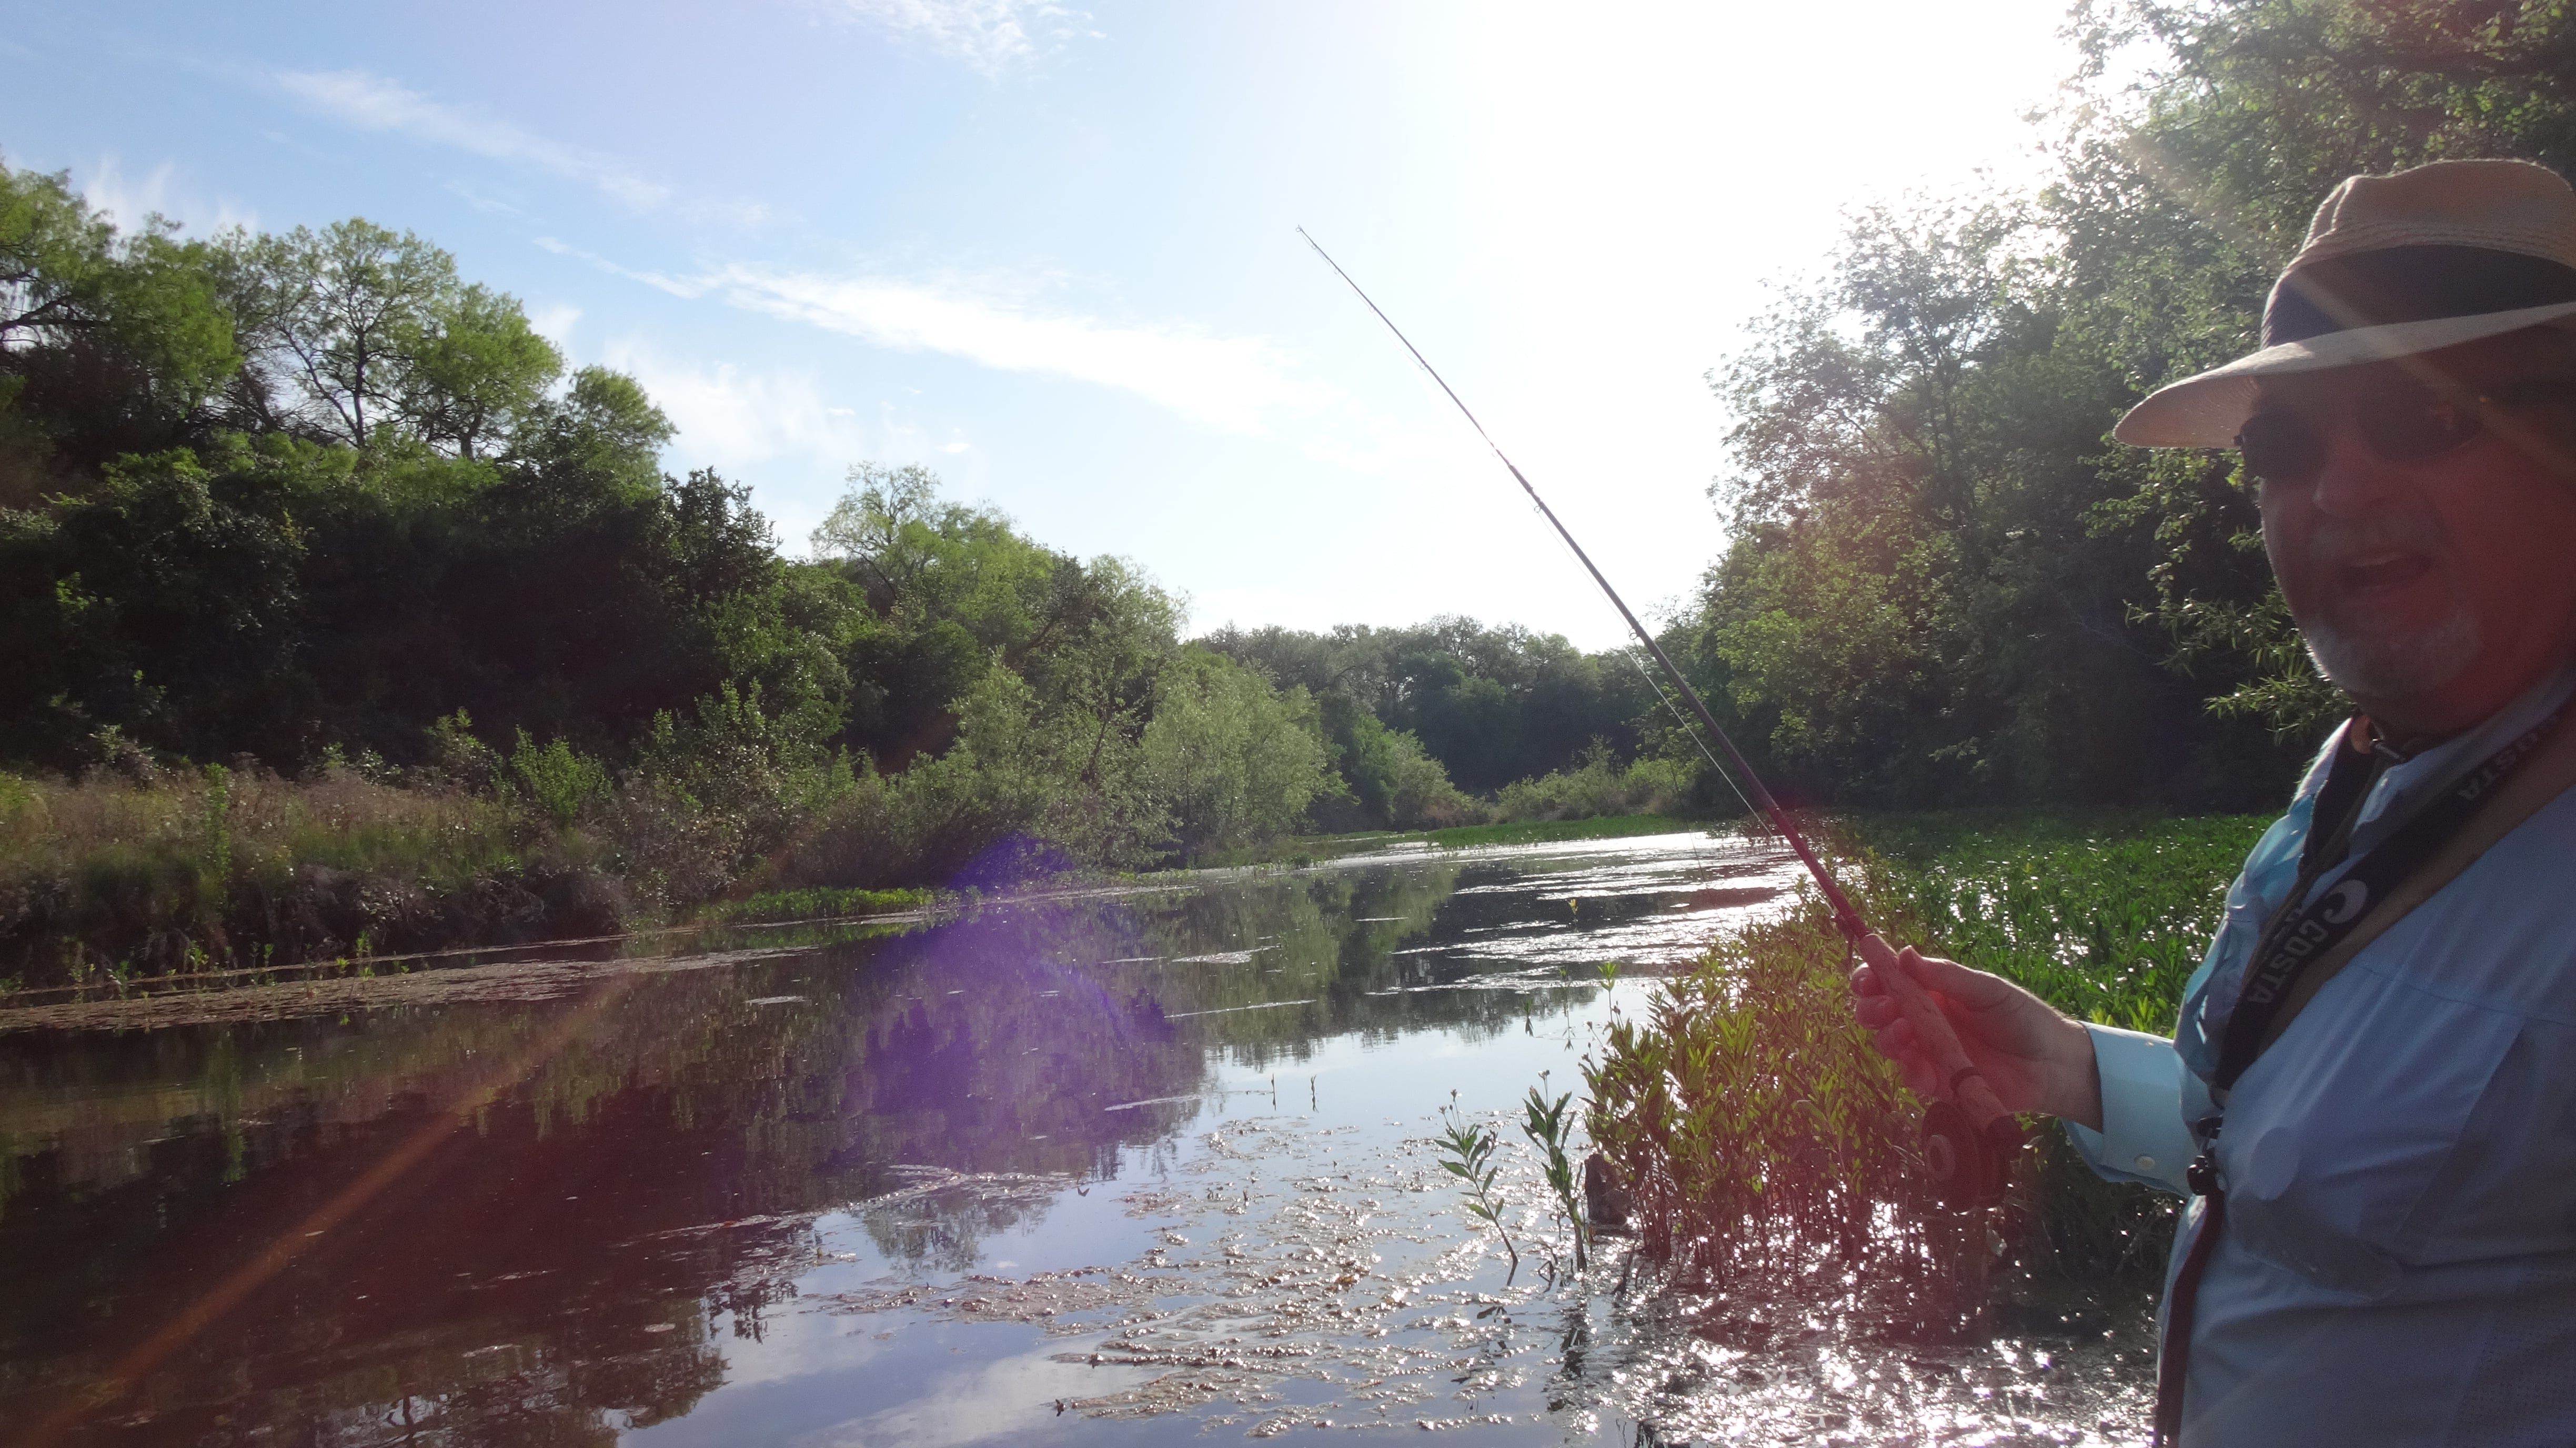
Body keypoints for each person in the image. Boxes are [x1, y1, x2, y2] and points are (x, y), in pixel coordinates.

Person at [1851, 156, 2576, 1446]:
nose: (2337, 492)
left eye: (2426, 419)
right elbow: (2312, 1148)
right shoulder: (2366, 762)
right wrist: (2073, 1067)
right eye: (2284, 446)